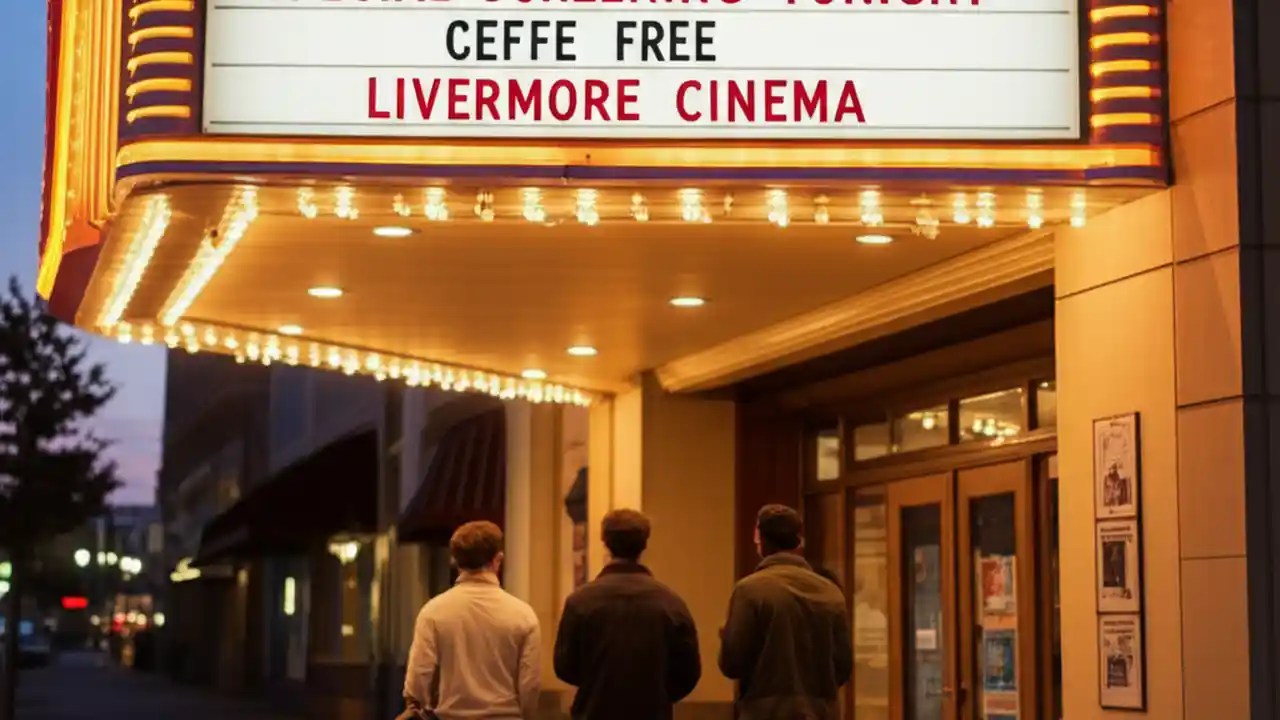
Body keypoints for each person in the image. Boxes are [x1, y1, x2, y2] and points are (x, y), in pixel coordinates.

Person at [554, 508, 701, 720]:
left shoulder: (581, 602)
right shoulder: (671, 604)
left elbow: (564, 666)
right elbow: (688, 673)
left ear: (605, 542)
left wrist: (597, 683)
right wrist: (658, 693)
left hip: (595, 711)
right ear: (645, 544)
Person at [719, 504, 853, 720]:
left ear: (758, 537)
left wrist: (725, 634)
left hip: (765, 713)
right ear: (798, 540)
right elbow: (843, 667)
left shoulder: (750, 590)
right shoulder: (831, 592)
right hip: (821, 713)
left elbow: (732, 663)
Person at [402, 521, 541, 720]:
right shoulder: (523, 616)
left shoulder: (433, 613)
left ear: (456, 561)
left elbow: (418, 680)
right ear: (497, 560)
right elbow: (530, 687)